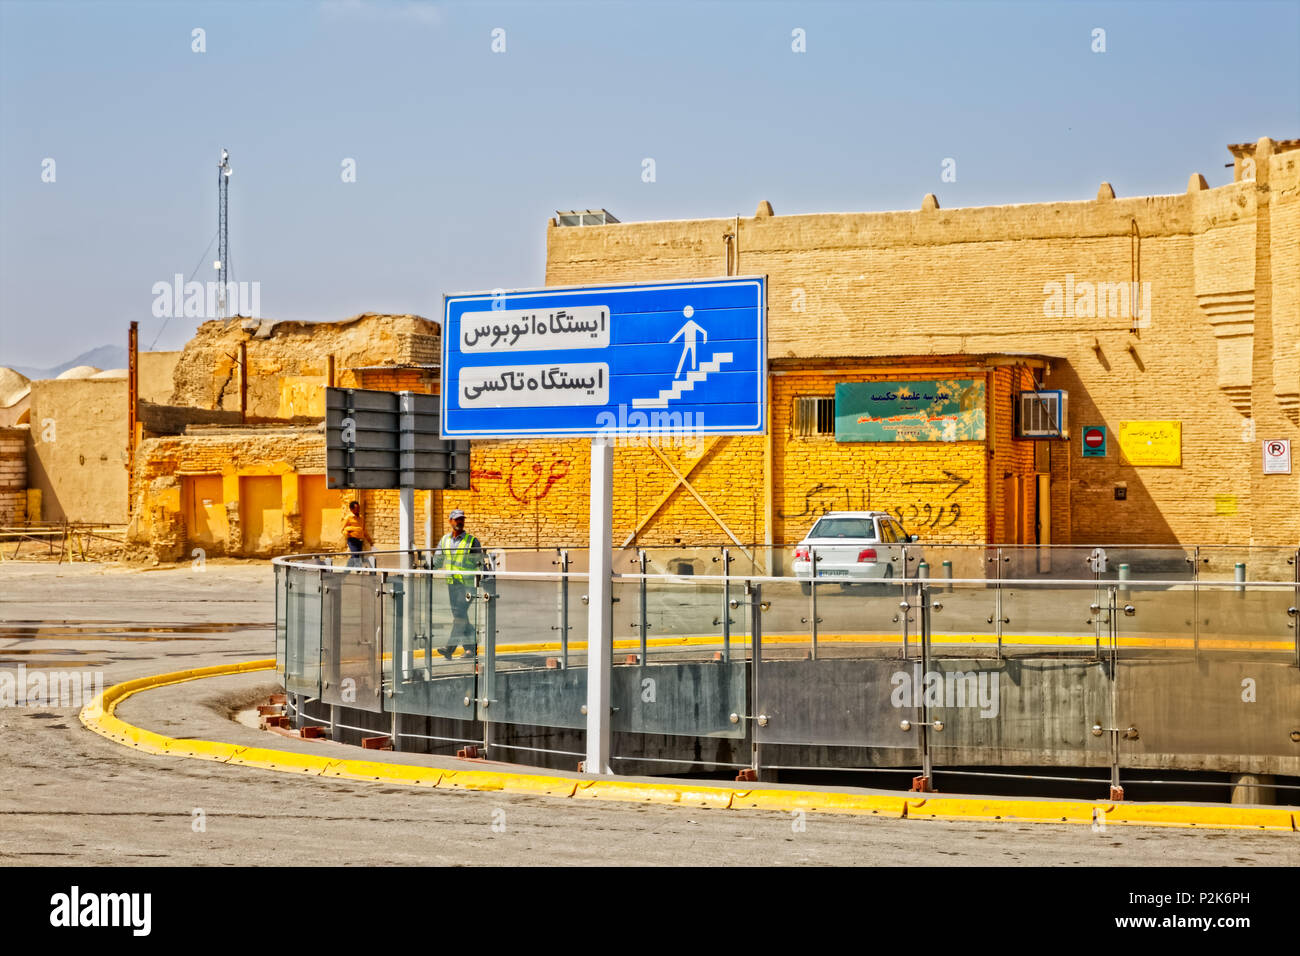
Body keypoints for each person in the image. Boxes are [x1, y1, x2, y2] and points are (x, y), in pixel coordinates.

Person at [429, 508, 484, 660]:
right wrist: (426, 569)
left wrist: (483, 579)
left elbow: (480, 562)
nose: (460, 522)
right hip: (452, 584)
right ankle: (471, 649)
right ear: (450, 521)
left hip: (468, 584)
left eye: (462, 519)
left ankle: (449, 648)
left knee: (459, 615)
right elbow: (438, 560)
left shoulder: (472, 541)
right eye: (457, 519)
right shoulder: (445, 540)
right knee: (461, 616)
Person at [341, 500, 373, 567]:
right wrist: (349, 533)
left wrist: (370, 540)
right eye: (356, 508)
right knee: (356, 555)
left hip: (360, 540)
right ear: (351, 509)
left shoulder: (361, 518)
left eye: (359, 508)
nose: (358, 510)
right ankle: (359, 568)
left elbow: (364, 530)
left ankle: (347, 570)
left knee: (356, 555)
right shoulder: (348, 518)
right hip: (352, 540)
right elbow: (343, 529)